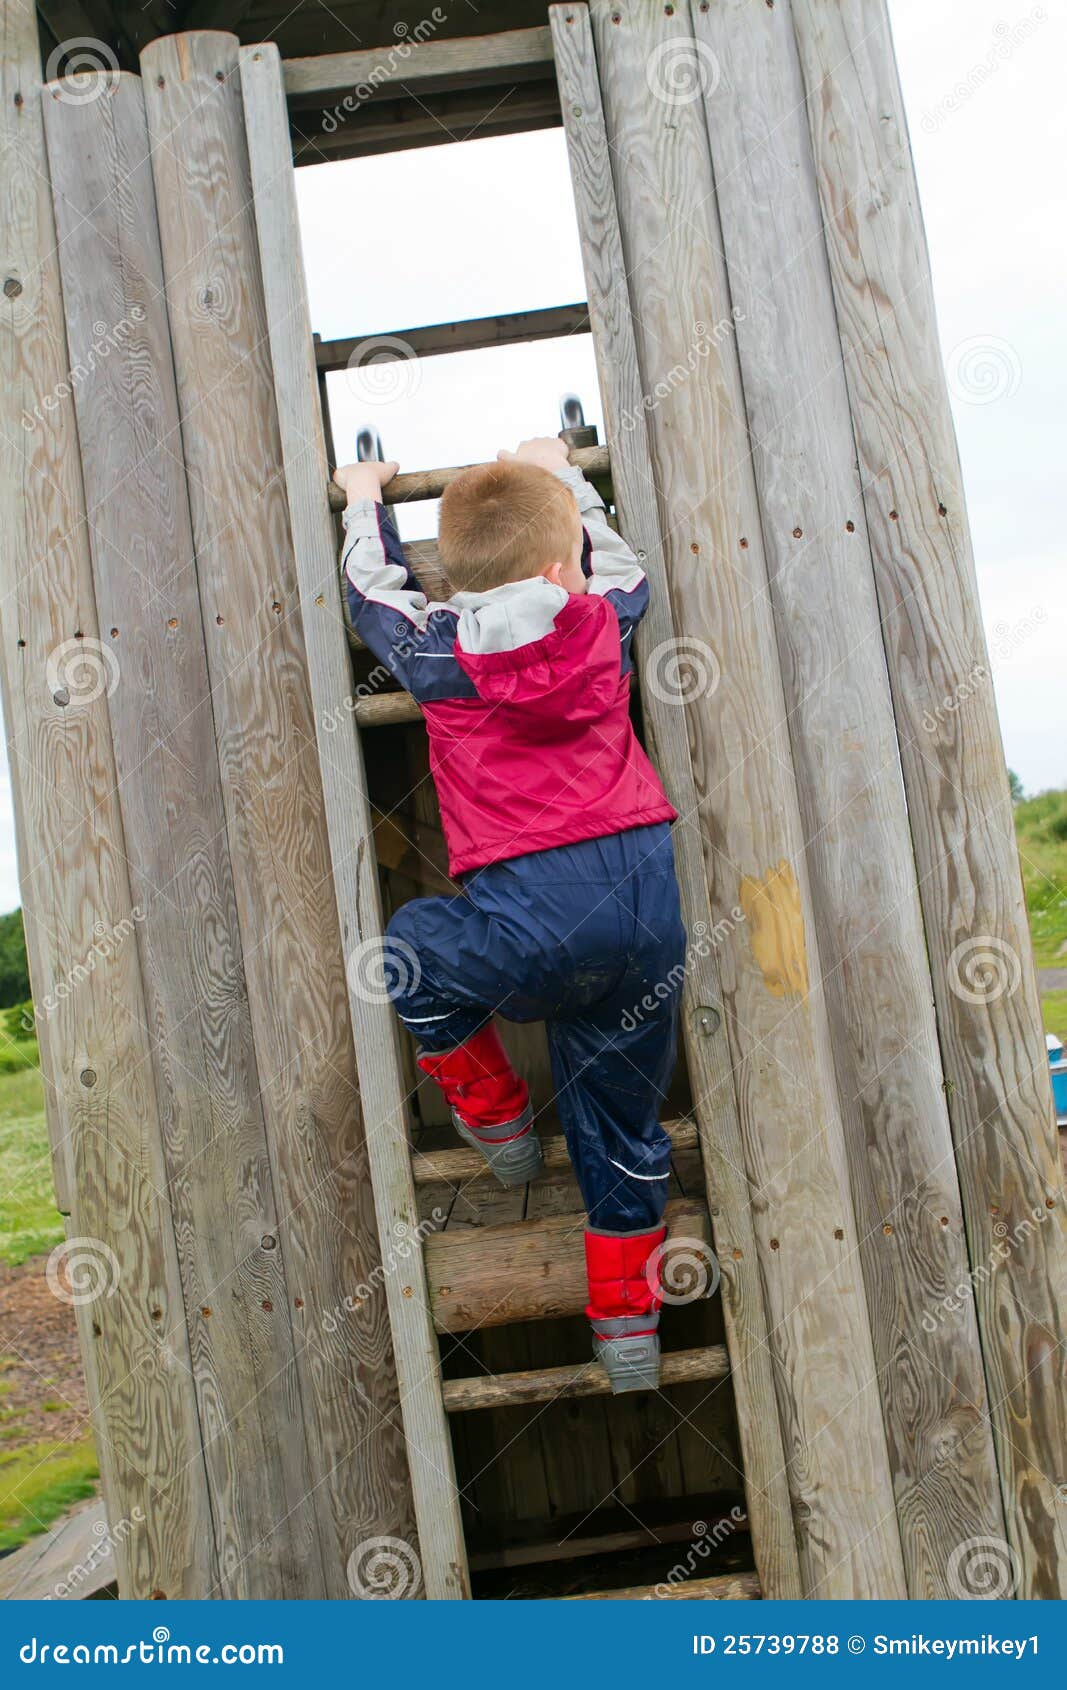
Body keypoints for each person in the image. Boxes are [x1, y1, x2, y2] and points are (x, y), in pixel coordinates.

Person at [333, 437, 687, 1393]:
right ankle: (628, 1336)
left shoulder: (436, 651)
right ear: (559, 565)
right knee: (621, 1129)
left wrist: (366, 493)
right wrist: (562, 469)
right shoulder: (602, 620)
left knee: (408, 948)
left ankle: (496, 1120)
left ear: (457, 577)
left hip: (529, 925)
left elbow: (371, 589)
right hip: (645, 915)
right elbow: (621, 560)